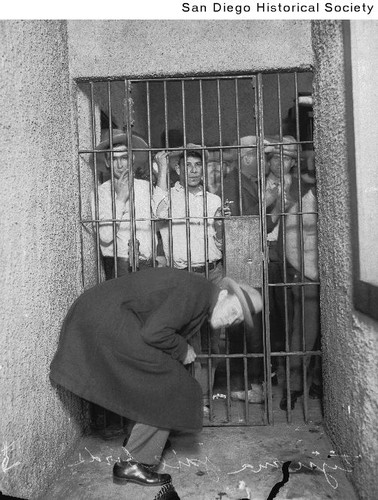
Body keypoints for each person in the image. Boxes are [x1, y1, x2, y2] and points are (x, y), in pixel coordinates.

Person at [49, 267, 262, 487]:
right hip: (102, 321)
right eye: (234, 310)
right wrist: (182, 349)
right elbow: (155, 333)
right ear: (225, 295)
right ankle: (133, 463)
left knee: (164, 376)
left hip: (106, 317)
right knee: (170, 385)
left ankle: (142, 439)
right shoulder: (194, 293)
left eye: (237, 319)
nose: (231, 320)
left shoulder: (203, 294)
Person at [152, 145, 231, 414]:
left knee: (212, 337)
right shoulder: (169, 198)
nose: (194, 170)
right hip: (183, 276)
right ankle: (184, 394)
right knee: (185, 337)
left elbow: (221, 243)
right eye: (188, 165)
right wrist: (161, 170)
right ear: (178, 169)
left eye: (198, 165)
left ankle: (203, 398)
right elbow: (158, 212)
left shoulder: (214, 200)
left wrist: (222, 231)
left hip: (212, 272)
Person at [91, 129, 154, 280]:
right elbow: (105, 236)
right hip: (119, 265)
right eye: (113, 159)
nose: (119, 165)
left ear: (131, 158)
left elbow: (158, 223)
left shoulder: (145, 187)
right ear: (107, 162)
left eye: (124, 157)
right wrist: (120, 198)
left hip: (148, 263)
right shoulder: (101, 193)